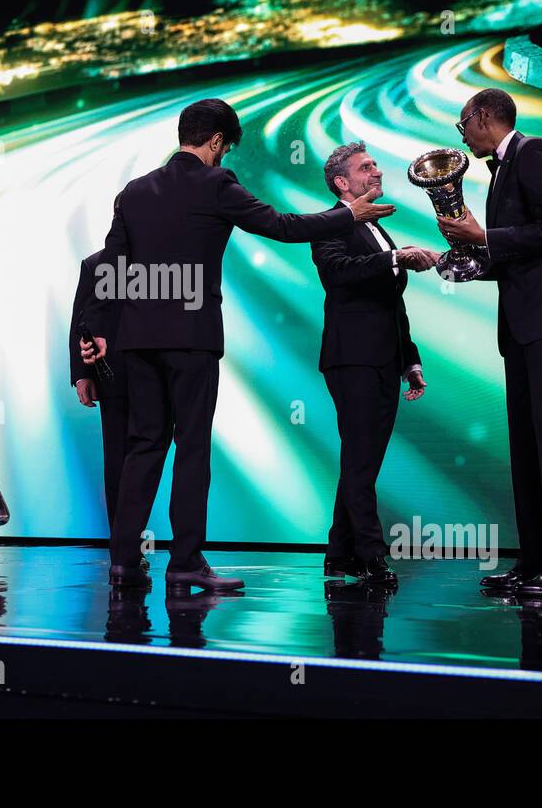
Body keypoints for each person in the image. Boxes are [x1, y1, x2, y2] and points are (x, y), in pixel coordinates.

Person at [83, 98, 392, 592]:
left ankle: (123, 561)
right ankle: (184, 563)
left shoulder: (135, 192)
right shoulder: (217, 184)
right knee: (191, 449)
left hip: (137, 341)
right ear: (217, 142)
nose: (223, 157)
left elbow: (110, 266)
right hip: (191, 341)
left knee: (142, 447)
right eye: (225, 148)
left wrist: (97, 329)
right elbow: (282, 226)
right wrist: (347, 216)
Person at [439, 88, 542, 596]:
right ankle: (533, 561)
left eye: (463, 124)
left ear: (485, 117)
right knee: (529, 448)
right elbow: (528, 251)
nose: (462, 134)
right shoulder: (501, 168)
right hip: (526, 328)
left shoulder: (535, 151)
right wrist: (472, 262)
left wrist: (484, 237)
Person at [312, 142, 440, 586]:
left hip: (384, 358)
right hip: (352, 358)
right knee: (361, 461)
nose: (377, 172)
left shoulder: (379, 228)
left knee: (360, 461)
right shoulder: (330, 224)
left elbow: (392, 304)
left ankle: (339, 553)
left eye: (375, 166)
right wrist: (394, 256)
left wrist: (411, 361)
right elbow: (338, 272)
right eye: (366, 168)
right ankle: (369, 556)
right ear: (341, 183)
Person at [68, 249, 129, 531]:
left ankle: (127, 548)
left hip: (159, 378)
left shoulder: (162, 261)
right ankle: (124, 547)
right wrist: (82, 374)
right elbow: (81, 321)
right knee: (118, 461)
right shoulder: (95, 264)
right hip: (114, 377)